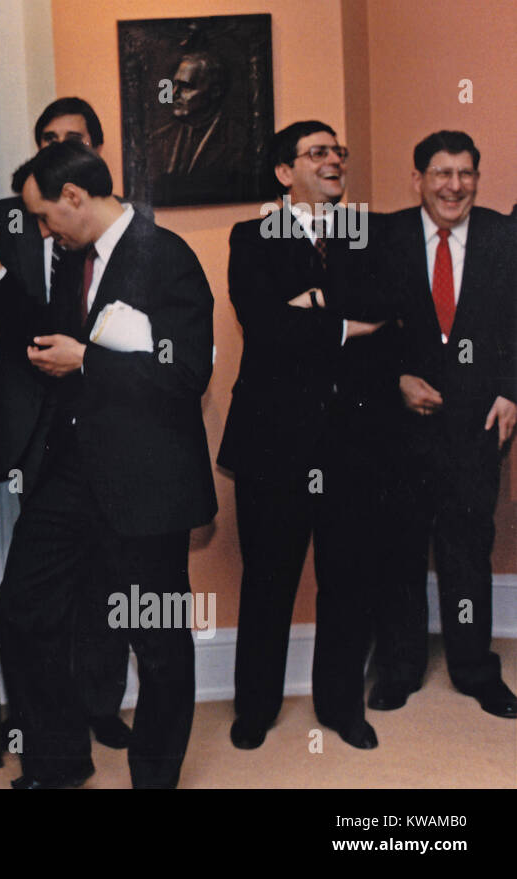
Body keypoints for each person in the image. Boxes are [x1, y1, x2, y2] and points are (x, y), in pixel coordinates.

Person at [0, 141, 216, 788]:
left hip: (145, 486)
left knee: (157, 646)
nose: (44, 230)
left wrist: (90, 362)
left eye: (47, 215)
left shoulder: (168, 257)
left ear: (75, 196)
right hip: (68, 477)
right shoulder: (69, 259)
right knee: (22, 610)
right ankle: (56, 765)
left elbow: (187, 370)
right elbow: (47, 339)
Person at [219, 121, 397, 752]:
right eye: (317, 152)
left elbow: (385, 311)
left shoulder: (368, 231)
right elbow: (263, 325)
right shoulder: (252, 236)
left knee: (348, 579)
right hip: (274, 442)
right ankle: (255, 708)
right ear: (283, 172)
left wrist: (317, 307)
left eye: (338, 151)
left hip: (352, 441)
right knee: (268, 579)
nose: (334, 160)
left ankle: (342, 706)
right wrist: (345, 324)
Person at [0, 97, 131, 751]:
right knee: (33, 591)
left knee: (105, 582)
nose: (58, 145)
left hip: (101, 426)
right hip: (30, 424)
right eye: (47, 137)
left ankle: (99, 704)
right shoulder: (6, 218)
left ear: (97, 148)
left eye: (72, 138)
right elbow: (2, 329)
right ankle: (36, 719)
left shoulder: (125, 231)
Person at [369, 131, 517, 720]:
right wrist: (395, 381)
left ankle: (476, 670)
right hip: (400, 428)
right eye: (441, 173)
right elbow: (363, 329)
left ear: (477, 179)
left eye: (466, 173)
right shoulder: (386, 237)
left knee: (466, 551)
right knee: (399, 549)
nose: (454, 185)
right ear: (418, 179)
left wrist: (512, 390)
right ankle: (399, 669)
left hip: (476, 424)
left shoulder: (506, 237)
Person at [146, 49, 245, 205]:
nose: (174, 94)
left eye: (186, 87)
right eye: (174, 85)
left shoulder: (238, 140)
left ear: (215, 92)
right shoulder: (160, 139)